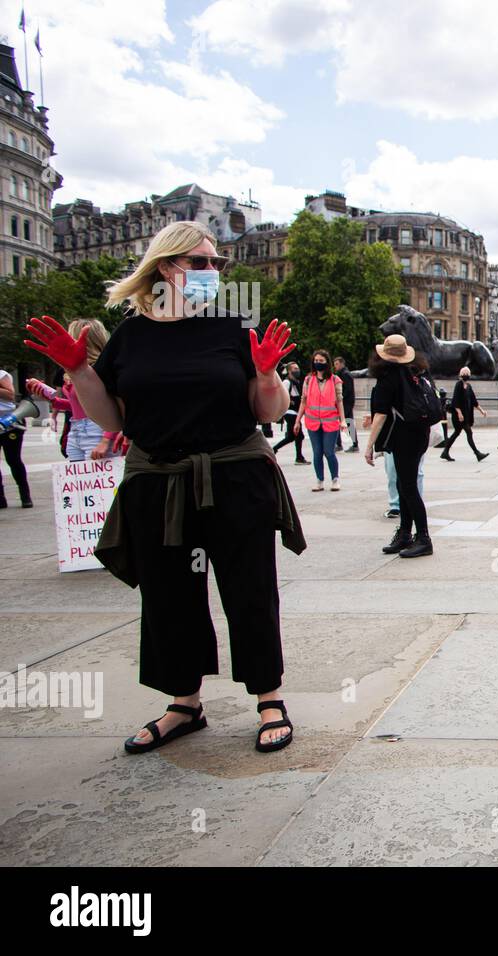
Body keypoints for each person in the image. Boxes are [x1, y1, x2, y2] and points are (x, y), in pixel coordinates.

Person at [24, 221, 306, 754]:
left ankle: (269, 698)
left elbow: (267, 412)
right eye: (200, 262)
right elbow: (113, 418)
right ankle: (184, 702)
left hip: (233, 473)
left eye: (216, 264)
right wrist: (79, 370)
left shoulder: (232, 330)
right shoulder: (131, 336)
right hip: (157, 478)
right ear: (166, 267)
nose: (212, 272)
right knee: (167, 595)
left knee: (249, 589)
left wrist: (269, 377)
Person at [365, 334, 433, 558]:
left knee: (408, 487)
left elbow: (381, 415)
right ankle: (405, 533)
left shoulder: (388, 378)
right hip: (419, 434)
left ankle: (423, 537)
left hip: (404, 438)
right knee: (405, 485)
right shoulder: (413, 373)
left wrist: (369, 446)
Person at [26, 319, 123, 463]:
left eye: (70, 335)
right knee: (79, 482)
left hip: (97, 429)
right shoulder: (75, 370)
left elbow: (116, 408)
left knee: (96, 481)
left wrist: (106, 440)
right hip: (76, 429)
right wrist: (52, 400)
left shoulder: (102, 369)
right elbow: (78, 405)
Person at [297, 348, 346, 492]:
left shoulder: (335, 380)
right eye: (316, 361)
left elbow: (339, 401)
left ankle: (335, 479)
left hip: (330, 422)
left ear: (327, 362)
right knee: (317, 452)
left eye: (321, 361)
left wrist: (343, 420)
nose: (318, 363)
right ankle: (319, 480)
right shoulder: (308, 379)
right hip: (312, 422)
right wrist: (297, 419)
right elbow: (303, 401)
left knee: (329, 451)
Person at [0, 365, 33, 508]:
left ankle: (25, 497)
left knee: (13, 460)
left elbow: (10, 395)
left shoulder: (2, 375)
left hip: (10, 423)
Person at [441, 367, 488, 463]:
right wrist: (459, 413)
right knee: (469, 433)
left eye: (467, 373)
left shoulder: (469, 386)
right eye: (464, 373)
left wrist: (482, 411)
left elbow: (474, 401)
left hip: (466, 415)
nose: (466, 375)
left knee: (456, 433)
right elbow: (456, 400)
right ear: (460, 374)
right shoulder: (458, 385)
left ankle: (445, 452)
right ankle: (477, 453)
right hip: (458, 416)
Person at [272, 361, 307, 464]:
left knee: (291, 436)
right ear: (289, 371)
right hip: (290, 412)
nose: (297, 370)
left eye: (297, 368)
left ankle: (274, 449)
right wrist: (288, 400)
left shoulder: (296, 382)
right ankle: (299, 457)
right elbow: (279, 394)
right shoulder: (287, 382)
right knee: (299, 435)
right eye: (295, 369)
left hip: (295, 412)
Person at [334, 355, 358, 453]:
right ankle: (339, 444)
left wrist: (340, 398)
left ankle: (354, 444)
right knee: (344, 422)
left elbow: (347, 390)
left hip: (346, 403)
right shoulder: (342, 374)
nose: (335, 366)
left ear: (342, 364)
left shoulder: (345, 374)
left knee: (348, 422)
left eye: (337, 364)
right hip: (345, 403)